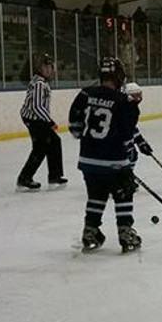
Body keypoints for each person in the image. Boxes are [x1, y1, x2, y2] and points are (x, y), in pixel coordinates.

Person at [68, 58, 142, 253]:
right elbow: (128, 134)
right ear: (119, 77)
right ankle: (126, 233)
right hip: (114, 160)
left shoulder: (84, 94)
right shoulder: (122, 100)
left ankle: (90, 232)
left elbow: (75, 128)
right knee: (124, 194)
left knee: (96, 196)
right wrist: (128, 158)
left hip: (88, 160)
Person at [17, 55, 67, 190]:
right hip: (34, 120)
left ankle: (53, 176)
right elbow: (36, 107)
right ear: (40, 68)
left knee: (53, 142)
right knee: (41, 148)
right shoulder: (39, 83)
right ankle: (25, 179)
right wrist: (49, 121)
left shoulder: (40, 82)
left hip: (36, 119)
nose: (49, 70)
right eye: (46, 67)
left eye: (50, 67)